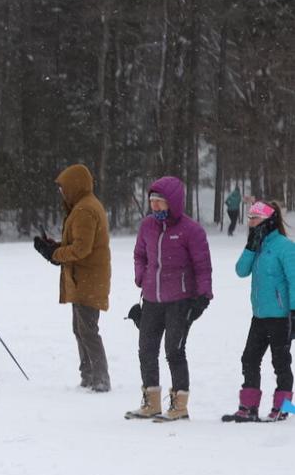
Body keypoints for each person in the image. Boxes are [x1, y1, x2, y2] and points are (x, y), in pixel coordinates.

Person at [125, 176, 212, 422]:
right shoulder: (147, 226)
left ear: (172, 202)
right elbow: (139, 255)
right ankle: (151, 402)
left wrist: (203, 296)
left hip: (180, 300)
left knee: (174, 351)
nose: (155, 207)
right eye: (152, 201)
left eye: (160, 202)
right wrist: (141, 276)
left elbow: (203, 266)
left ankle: (179, 406)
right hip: (152, 299)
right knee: (146, 350)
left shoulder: (191, 230)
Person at [32, 164, 111, 392]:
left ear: (75, 186)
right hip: (82, 278)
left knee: (87, 329)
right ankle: (88, 376)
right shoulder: (80, 207)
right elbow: (77, 243)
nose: (61, 192)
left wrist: (54, 254)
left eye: (63, 188)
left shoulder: (85, 209)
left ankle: (100, 379)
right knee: (80, 329)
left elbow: (81, 248)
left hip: (88, 279)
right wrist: (53, 246)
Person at [222, 201, 295, 422]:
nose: (250, 222)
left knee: (281, 362)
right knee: (249, 359)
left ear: (268, 221)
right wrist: (250, 246)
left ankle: (285, 408)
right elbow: (240, 271)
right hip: (260, 316)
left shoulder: (285, 246)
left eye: (255, 218)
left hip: (281, 317)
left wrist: (293, 311)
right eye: (249, 218)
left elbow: (294, 280)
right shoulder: (257, 245)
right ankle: (248, 407)